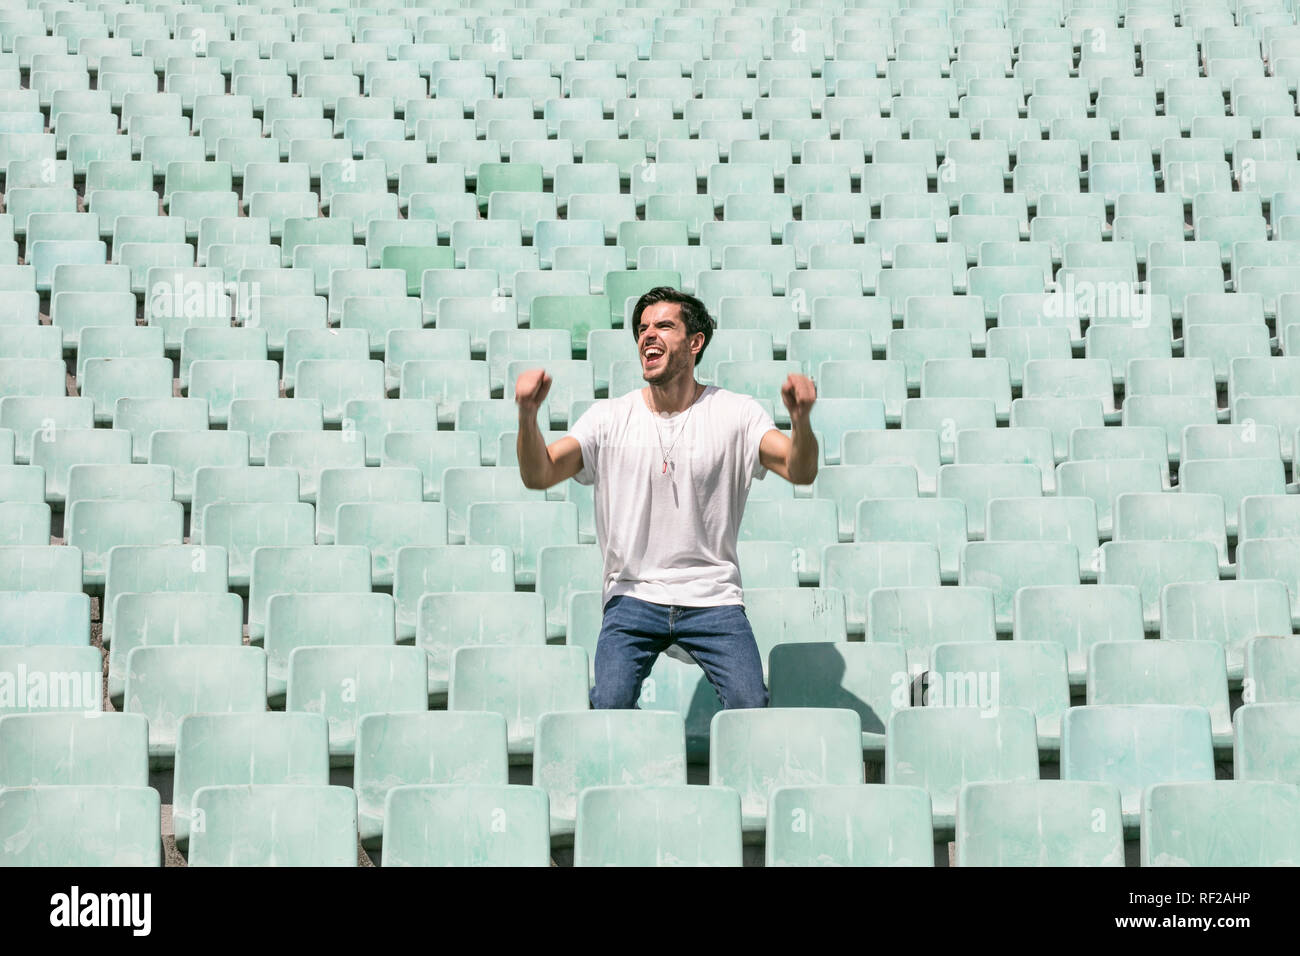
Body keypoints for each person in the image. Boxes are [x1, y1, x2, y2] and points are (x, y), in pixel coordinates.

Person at [514, 286, 818, 710]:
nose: (647, 335)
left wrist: (801, 422)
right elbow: (539, 473)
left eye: (663, 326)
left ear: (695, 343)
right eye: (642, 328)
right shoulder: (608, 418)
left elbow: (800, 469)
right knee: (610, 704)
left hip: (712, 597)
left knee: (750, 705)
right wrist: (528, 417)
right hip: (633, 595)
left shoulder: (736, 412)